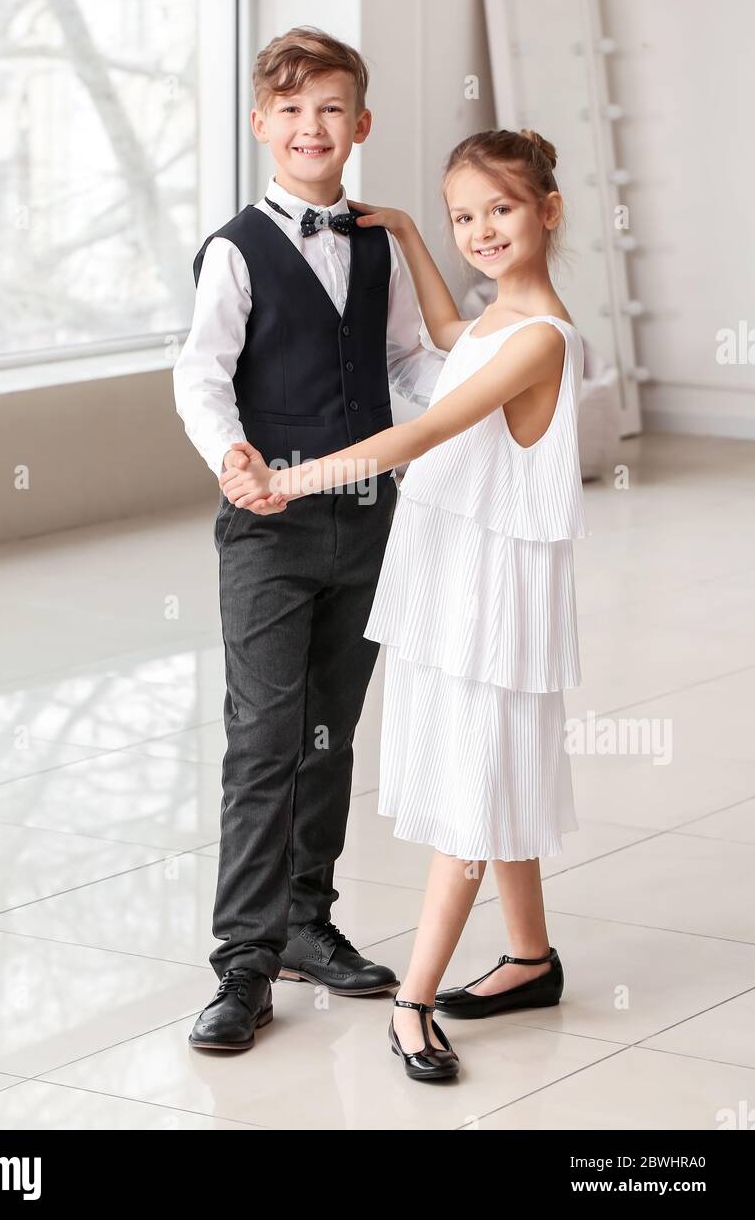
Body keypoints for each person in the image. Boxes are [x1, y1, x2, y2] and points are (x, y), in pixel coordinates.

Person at [221, 128, 586, 1081]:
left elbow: (419, 427)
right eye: (467, 216)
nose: (482, 231)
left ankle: (416, 1003)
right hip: (462, 575)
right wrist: (420, 238)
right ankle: (531, 959)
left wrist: (291, 484)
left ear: (548, 210)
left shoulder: (540, 338)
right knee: (495, 765)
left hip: (491, 598)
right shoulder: (499, 327)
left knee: (476, 784)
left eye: (500, 210)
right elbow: (443, 340)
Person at [173, 25, 447, 1051]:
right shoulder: (235, 250)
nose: (309, 126)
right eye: (288, 110)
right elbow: (199, 372)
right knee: (264, 738)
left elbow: (406, 368)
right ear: (260, 125)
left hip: (370, 522)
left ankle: (304, 916)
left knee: (329, 727)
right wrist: (229, 453)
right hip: (269, 528)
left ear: (360, 124)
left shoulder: (373, 241)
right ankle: (242, 959)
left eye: (329, 108)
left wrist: (489, 391)